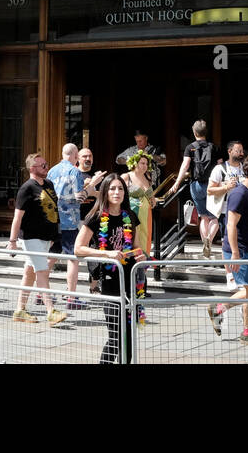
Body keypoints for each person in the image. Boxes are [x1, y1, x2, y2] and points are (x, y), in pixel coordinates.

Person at [74, 173, 143, 364]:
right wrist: (108, 254)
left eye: (120, 188)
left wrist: (141, 254)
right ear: (105, 191)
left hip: (129, 279)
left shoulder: (130, 216)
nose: (117, 192)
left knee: (129, 335)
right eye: (112, 188)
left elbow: (136, 247)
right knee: (116, 335)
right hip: (109, 280)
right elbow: (78, 248)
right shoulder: (95, 217)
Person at [210, 153, 248, 346]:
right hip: (240, 251)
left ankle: (220, 310)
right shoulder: (239, 194)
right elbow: (230, 225)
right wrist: (235, 253)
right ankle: (246, 331)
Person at [6, 153, 67, 326]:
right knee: (42, 271)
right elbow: (17, 217)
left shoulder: (48, 184)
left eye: (46, 164)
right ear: (32, 168)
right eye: (43, 165)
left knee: (30, 272)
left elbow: (54, 210)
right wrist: (13, 241)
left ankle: (19, 309)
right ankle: (51, 311)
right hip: (31, 237)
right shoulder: (26, 188)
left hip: (46, 236)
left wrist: (55, 234)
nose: (46, 167)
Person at [48, 143, 88, 305]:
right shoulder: (75, 171)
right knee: (73, 258)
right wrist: (90, 188)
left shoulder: (52, 171)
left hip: (53, 219)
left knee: (51, 255)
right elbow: (79, 197)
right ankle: (71, 296)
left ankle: (41, 292)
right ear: (74, 155)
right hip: (69, 220)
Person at [174, 120, 219, 256]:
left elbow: (185, 165)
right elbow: (220, 167)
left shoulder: (190, 147)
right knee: (214, 218)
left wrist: (177, 183)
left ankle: (204, 243)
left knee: (204, 217)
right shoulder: (214, 147)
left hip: (196, 185)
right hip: (212, 185)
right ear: (206, 132)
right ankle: (209, 240)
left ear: (194, 132)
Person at [123, 150, 156, 314]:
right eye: (141, 163)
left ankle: (142, 285)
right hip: (132, 215)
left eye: (146, 163)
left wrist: (153, 199)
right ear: (134, 163)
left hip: (146, 214)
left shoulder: (148, 178)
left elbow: (151, 195)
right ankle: (132, 285)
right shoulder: (126, 177)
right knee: (133, 246)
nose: (144, 166)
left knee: (144, 245)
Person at [206, 141, 245, 237]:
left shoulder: (246, 169)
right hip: (226, 210)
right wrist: (226, 187)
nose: (241, 154)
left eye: (242, 151)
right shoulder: (219, 169)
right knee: (227, 240)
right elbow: (210, 190)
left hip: (243, 210)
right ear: (230, 151)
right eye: (238, 151)